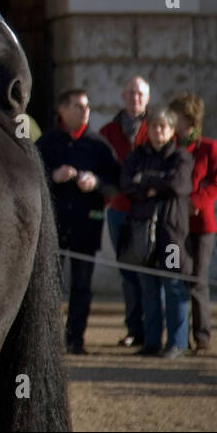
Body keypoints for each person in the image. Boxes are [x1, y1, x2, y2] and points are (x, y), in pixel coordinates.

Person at [36, 89, 119, 354]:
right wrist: (52, 176)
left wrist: (96, 182)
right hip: (54, 227)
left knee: (82, 286)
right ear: (62, 110)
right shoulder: (47, 143)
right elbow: (29, 180)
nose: (84, 111)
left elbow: (116, 183)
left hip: (86, 225)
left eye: (86, 106)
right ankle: (48, 342)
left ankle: (75, 339)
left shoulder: (99, 145)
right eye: (77, 106)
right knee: (49, 287)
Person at [119, 105, 193, 359]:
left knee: (173, 283)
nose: (158, 131)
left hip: (171, 234)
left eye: (163, 126)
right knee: (148, 284)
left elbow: (178, 184)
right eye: (153, 126)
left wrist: (147, 181)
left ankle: (177, 342)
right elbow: (127, 185)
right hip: (143, 235)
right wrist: (155, 183)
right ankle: (152, 342)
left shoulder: (181, 157)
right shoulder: (136, 156)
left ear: (171, 131)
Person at [167, 92, 217, 355]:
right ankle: (179, 337)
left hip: (202, 227)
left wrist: (196, 202)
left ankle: (202, 337)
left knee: (198, 280)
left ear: (188, 119)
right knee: (175, 277)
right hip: (176, 226)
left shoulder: (208, 147)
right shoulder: (171, 146)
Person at [100, 75, 149, 347]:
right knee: (127, 272)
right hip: (119, 210)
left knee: (151, 273)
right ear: (123, 97)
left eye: (140, 94)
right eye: (131, 93)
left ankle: (155, 330)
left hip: (147, 212)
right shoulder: (109, 131)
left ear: (148, 98)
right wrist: (111, 194)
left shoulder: (157, 127)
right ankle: (134, 328)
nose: (135, 98)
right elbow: (103, 170)